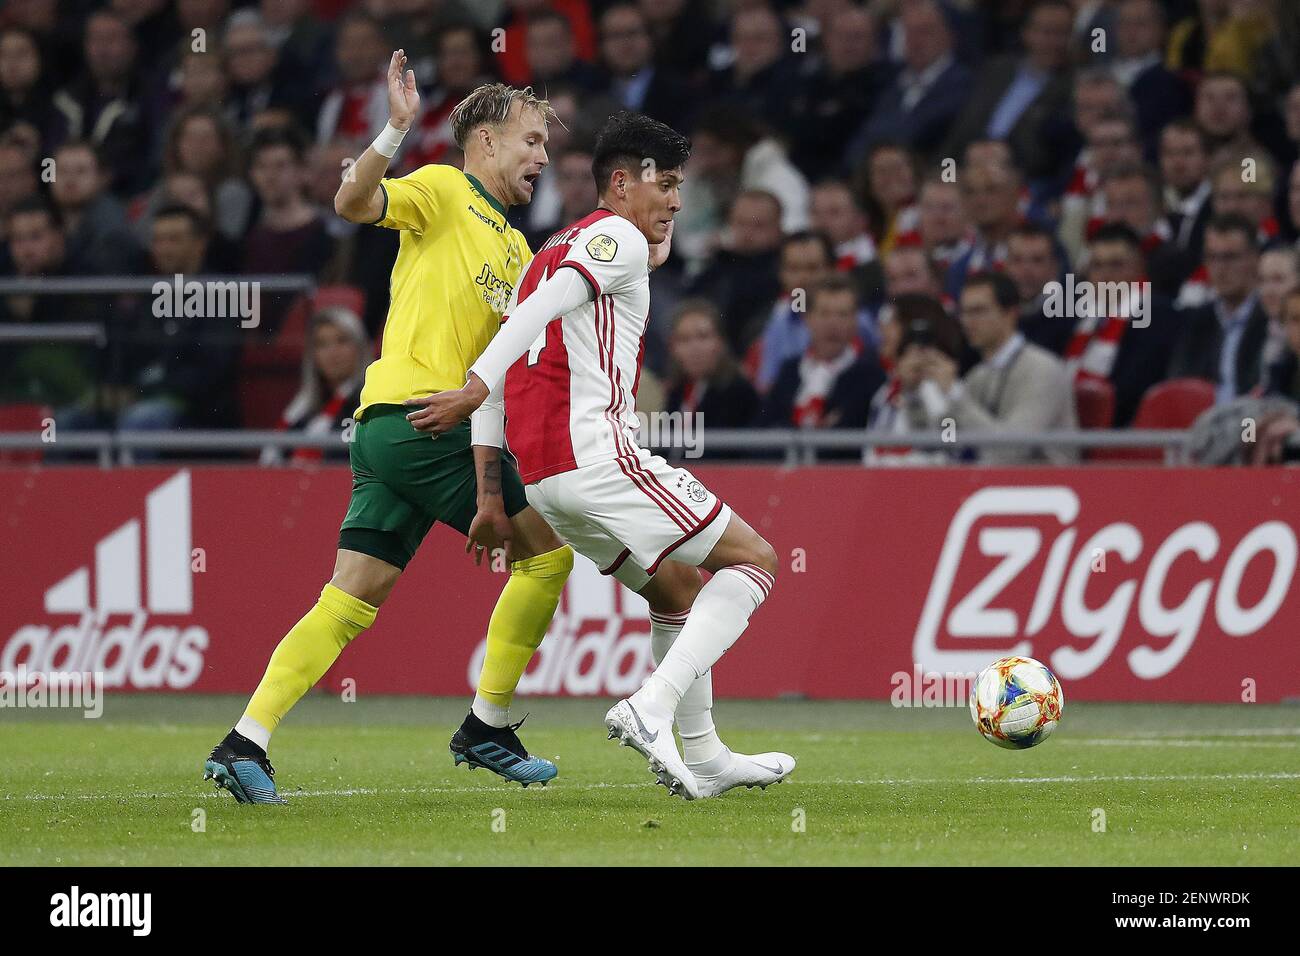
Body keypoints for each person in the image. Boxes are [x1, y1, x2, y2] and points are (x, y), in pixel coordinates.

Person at [203, 64, 573, 804]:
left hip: (386, 430)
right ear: (486, 141)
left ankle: (245, 742)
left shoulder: (516, 249)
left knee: (350, 597)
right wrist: (396, 126)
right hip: (420, 422)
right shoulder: (442, 188)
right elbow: (349, 200)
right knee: (548, 558)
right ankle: (486, 727)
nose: (542, 158)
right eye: (532, 141)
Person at [417, 111, 794, 801]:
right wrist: (473, 387)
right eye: (668, 185)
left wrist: (492, 495)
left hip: (551, 482)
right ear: (621, 184)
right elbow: (531, 327)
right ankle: (651, 707)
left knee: (677, 590)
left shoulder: (550, 251)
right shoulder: (612, 237)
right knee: (757, 561)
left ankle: (705, 756)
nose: (677, 201)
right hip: (602, 456)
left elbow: (516, 337)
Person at [902, 270, 1078, 464]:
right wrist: (913, 394)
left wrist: (955, 393)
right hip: (995, 486)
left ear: (1010, 314)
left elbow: (1011, 451)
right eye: (964, 312)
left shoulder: (1042, 370)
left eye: (978, 311)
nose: (967, 322)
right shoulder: (979, 374)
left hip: (1043, 487)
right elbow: (947, 441)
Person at [261, 305, 373, 465]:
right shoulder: (301, 409)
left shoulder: (370, 403)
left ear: (360, 347)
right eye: (322, 344)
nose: (332, 352)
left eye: (342, 341)